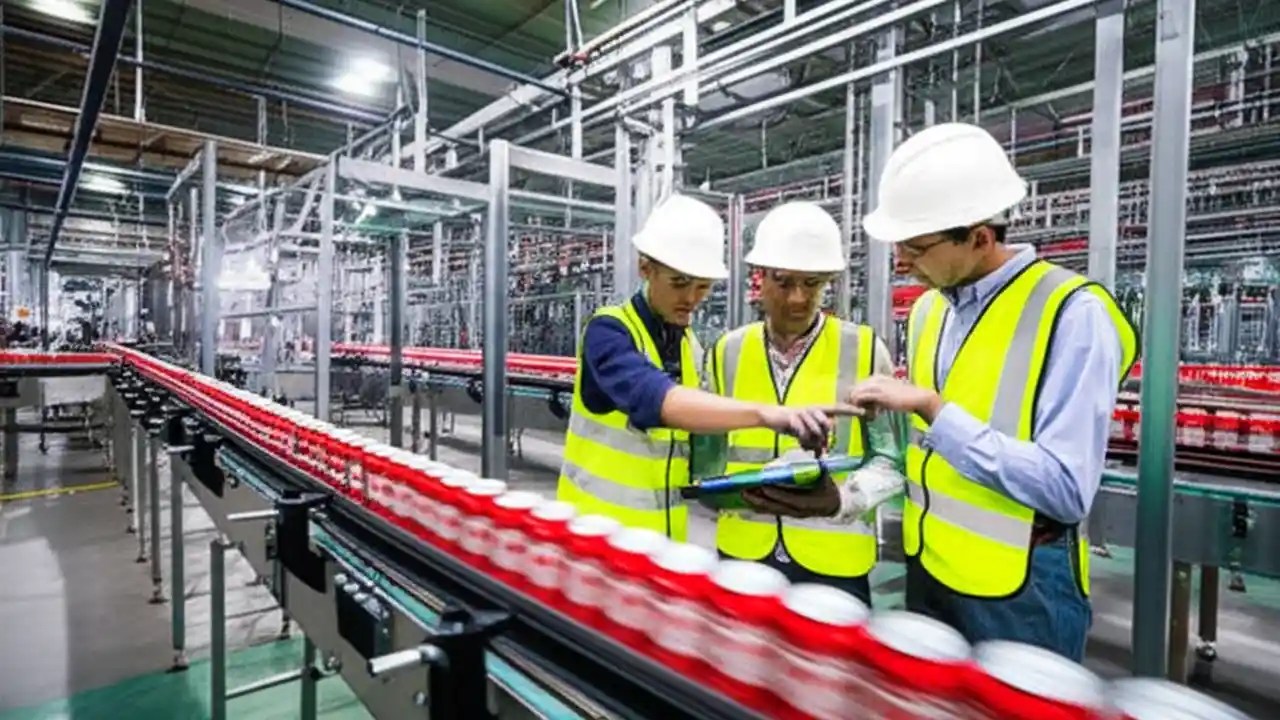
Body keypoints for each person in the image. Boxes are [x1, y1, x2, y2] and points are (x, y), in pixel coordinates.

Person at [849, 123, 1139, 660]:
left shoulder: (1073, 315)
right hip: (929, 569)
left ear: (980, 238)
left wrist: (935, 410)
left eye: (915, 247)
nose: (902, 262)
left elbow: (1066, 488)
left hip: (1021, 591)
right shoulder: (929, 310)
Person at [557, 194, 855, 542]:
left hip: (660, 541)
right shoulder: (608, 332)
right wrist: (769, 414)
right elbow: (652, 397)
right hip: (595, 537)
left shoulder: (691, 348)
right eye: (679, 283)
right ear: (645, 268)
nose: (691, 298)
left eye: (702, 286)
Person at [702, 201, 906, 606]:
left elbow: (893, 458)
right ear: (760, 277)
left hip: (833, 557)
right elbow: (709, 454)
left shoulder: (865, 350)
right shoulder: (726, 352)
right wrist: (714, 492)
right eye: (783, 282)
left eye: (812, 283)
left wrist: (846, 500)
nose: (798, 298)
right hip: (744, 549)